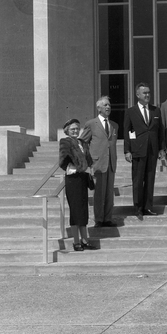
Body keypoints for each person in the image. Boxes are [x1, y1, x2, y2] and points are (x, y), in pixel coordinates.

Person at [124, 82, 165, 220]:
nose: (147, 95)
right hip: (138, 150)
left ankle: (148, 207)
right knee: (138, 180)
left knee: (150, 179)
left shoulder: (156, 110)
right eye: (144, 93)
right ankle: (138, 208)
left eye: (148, 92)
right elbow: (127, 132)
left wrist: (161, 148)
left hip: (152, 151)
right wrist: (127, 150)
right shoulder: (131, 111)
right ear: (137, 95)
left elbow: (160, 132)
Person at [79, 96, 118, 227]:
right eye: (105, 105)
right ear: (98, 108)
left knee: (109, 193)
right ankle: (99, 219)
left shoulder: (114, 125)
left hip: (111, 163)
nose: (108, 107)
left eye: (109, 105)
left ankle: (108, 218)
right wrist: (88, 160)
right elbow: (83, 141)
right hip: (98, 163)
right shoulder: (91, 124)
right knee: (99, 193)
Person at [59, 119, 97, 251]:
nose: (75, 131)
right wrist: (80, 165)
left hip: (82, 177)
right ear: (67, 131)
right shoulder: (65, 142)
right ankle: (76, 242)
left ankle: (85, 240)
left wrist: (87, 167)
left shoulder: (83, 143)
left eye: (77, 128)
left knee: (83, 210)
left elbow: (89, 159)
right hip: (73, 178)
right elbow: (64, 160)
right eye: (72, 129)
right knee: (75, 211)